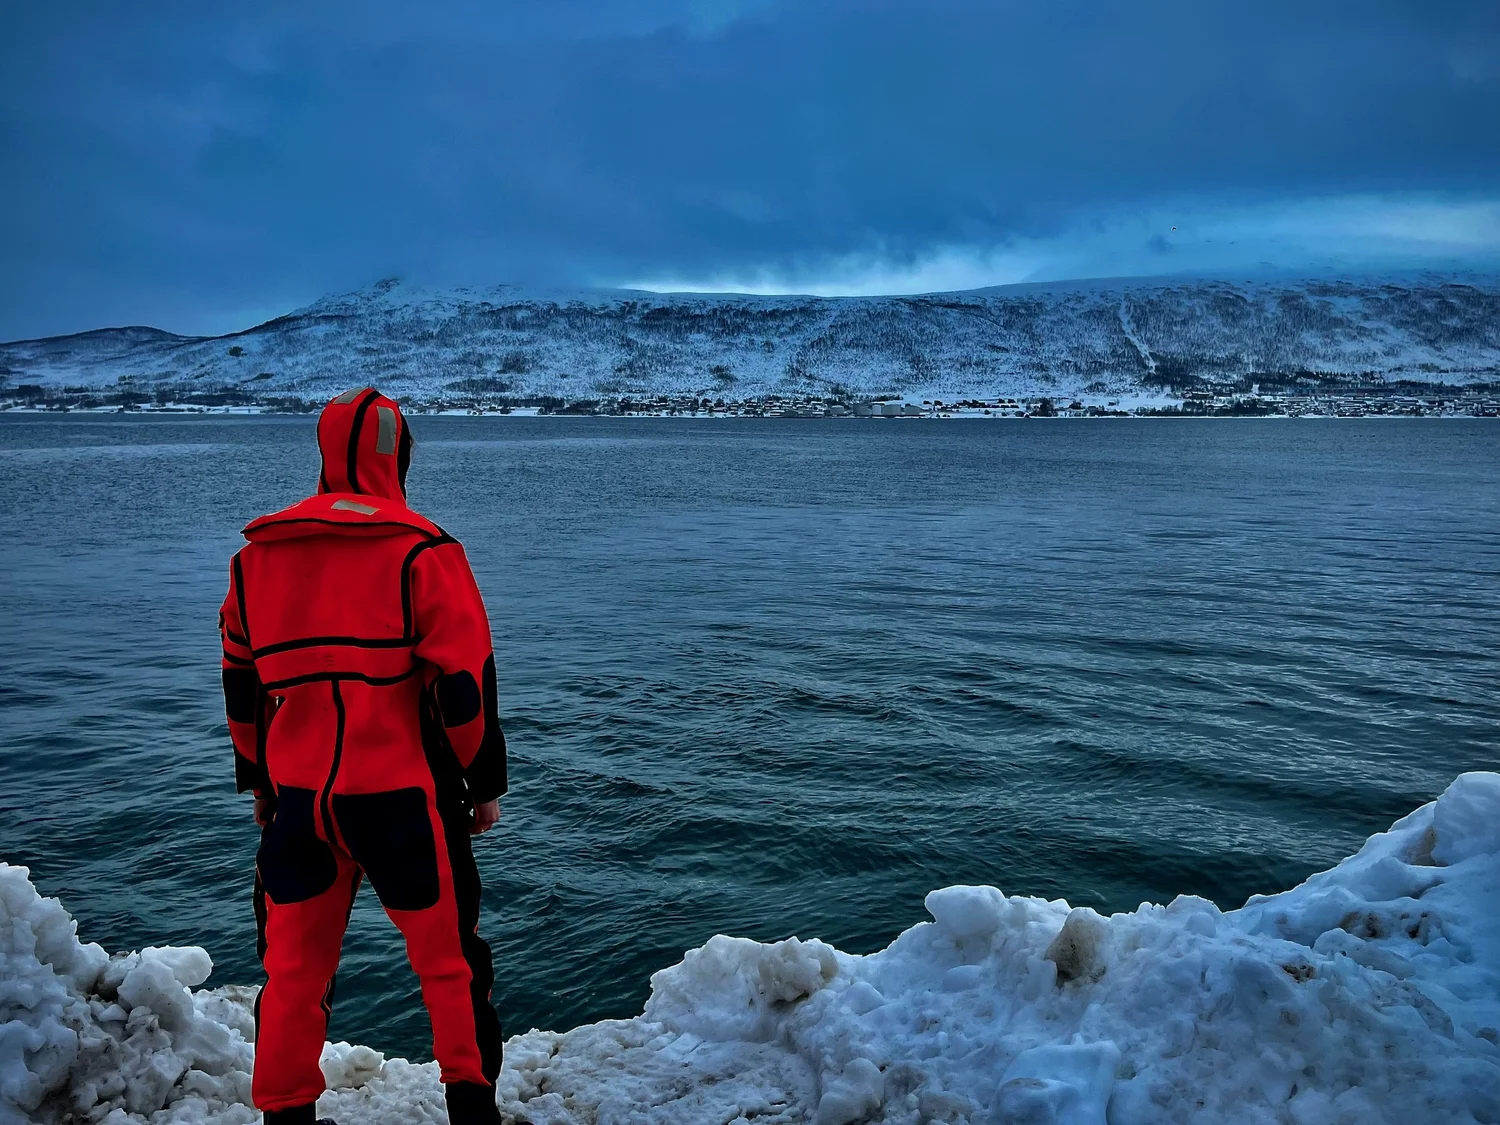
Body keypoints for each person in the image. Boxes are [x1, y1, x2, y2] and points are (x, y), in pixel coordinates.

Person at [219, 388, 508, 1125]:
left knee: (292, 978)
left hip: (300, 801)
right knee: (450, 968)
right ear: (399, 455)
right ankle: (473, 1115)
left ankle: (286, 1116)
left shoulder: (257, 557)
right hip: (403, 799)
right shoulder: (425, 551)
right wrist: (484, 783)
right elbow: (464, 686)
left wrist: (257, 777)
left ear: (322, 454)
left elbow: (241, 682)